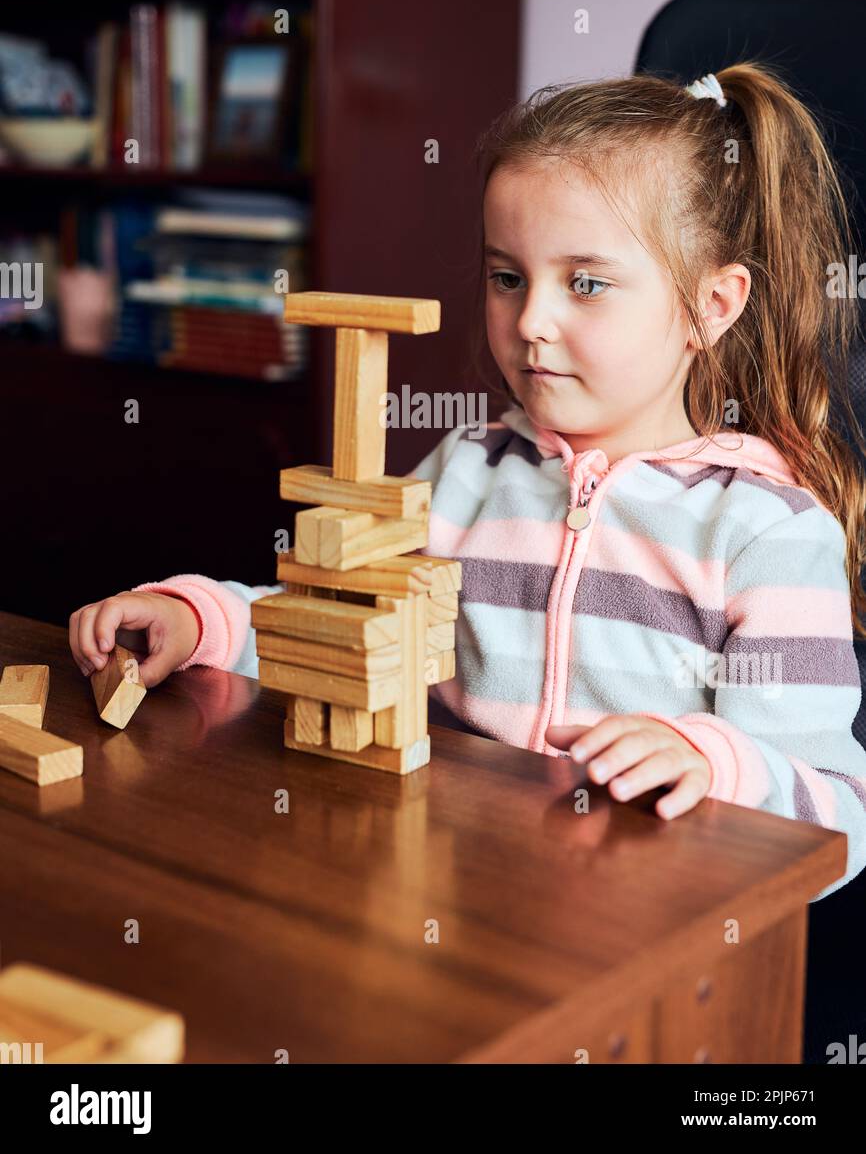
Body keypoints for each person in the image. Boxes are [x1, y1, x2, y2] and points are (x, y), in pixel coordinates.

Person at [69, 60, 866, 903]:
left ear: (714, 304)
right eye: (507, 277)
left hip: (652, 947)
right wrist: (201, 620)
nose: (530, 322)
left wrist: (716, 762)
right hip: (455, 904)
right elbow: (351, 636)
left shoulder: (766, 534)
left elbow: (839, 823)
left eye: (585, 283)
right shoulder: (465, 471)